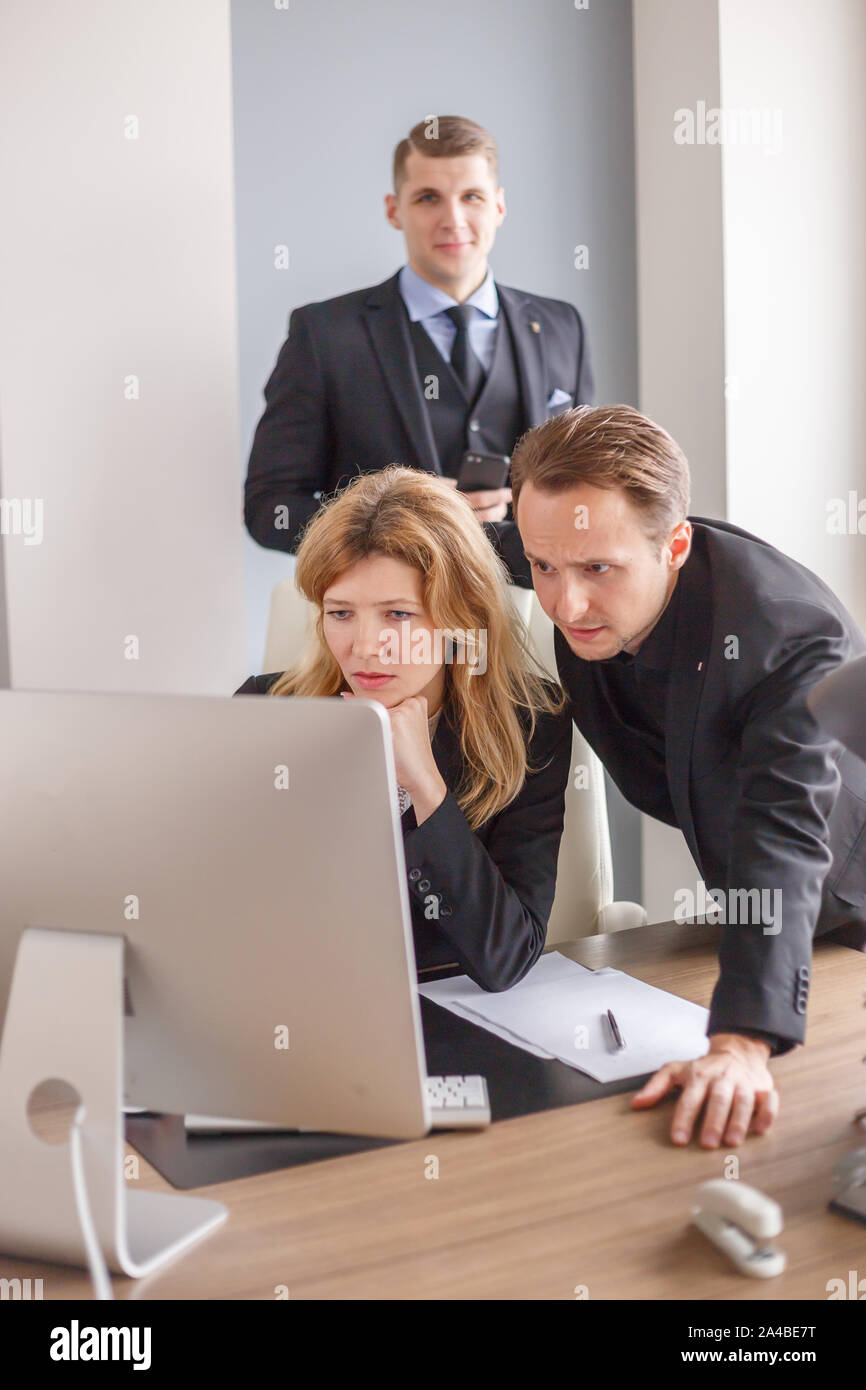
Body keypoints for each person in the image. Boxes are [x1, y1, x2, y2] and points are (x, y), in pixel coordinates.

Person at [487, 403, 866, 1146]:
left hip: (844, 916)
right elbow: (464, 542)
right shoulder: (568, 545)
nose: (566, 603)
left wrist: (742, 1044)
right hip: (741, 918)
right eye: (543, 567)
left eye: (598, 569)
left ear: (675, 545)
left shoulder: (788, 640)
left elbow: (781, 839)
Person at [235, 466, 573, 991]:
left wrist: (425, 787)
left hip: (443, 1015)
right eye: (341, 613)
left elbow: (505, 957)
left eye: (397, 614)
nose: (365, 646)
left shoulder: (532, 724)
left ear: (461, 620)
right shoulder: (268, 710)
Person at [244, 114, 593, 554]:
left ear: (499, 206)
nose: (453, 219)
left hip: (539, 611)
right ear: (394, 210)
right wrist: (395, 522)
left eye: (472, 196)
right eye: (429, 198)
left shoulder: (562, 326)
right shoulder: (325, 335)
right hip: (390, 614)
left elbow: (587, 490)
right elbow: (268, 508)